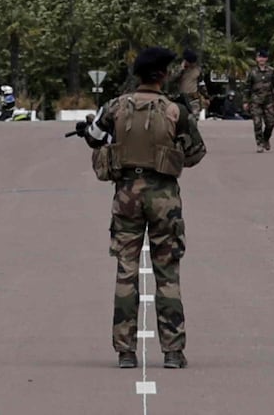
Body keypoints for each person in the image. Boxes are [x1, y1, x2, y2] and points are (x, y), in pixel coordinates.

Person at [93, 45, 204, 370]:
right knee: (167, 272)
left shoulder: (115, 107)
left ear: (137, 75)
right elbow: (195, 154)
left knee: (126, 271)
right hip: (164, 197)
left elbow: (96, 137)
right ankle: (172, 351)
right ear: (163, 74)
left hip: (126, 194)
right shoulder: (174, 110)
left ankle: (125, 351)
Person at [243, 49, 274, 152]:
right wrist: (245, 101)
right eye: (259, 57)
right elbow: (247, 88)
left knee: (270, 123)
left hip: (269, 101)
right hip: (256, 101)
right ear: (257, 59)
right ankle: (259, 143)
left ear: (266, 59)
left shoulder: (272, 71)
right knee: (257, 123)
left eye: (263, 57)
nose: (261, 59)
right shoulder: (252, 72)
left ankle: (266, 139)